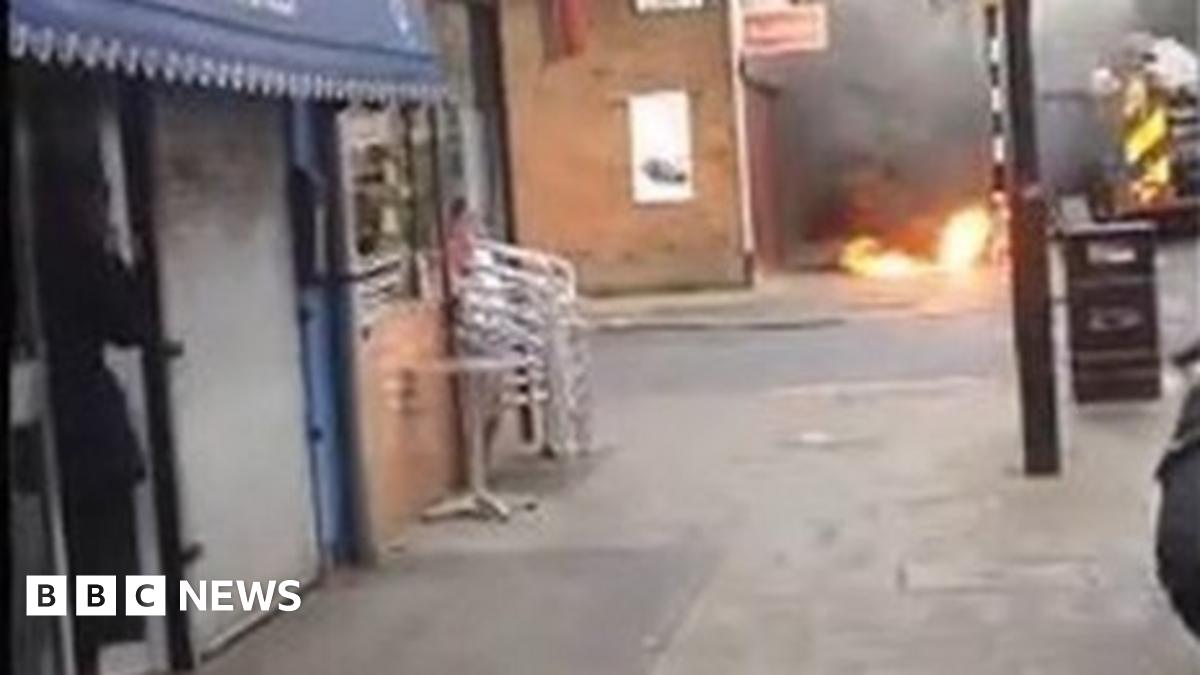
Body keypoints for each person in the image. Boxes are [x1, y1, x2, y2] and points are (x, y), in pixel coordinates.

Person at [35, 155, 152, 675]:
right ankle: (96, 657)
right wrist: (121, 258)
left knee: (76, 565)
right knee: (101, 563)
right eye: (99, 204)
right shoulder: (82, 261)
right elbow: (131, 325)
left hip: (56, 436)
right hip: (87, 437)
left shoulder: (40, 260)